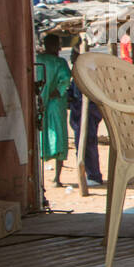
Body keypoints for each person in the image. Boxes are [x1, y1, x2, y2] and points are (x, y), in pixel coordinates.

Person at [36, 34, 71, 187]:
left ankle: (40, 180)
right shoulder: (60, 63)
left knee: (39, 138)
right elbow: (64, 82)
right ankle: (57, 178)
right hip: (56, 105)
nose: (60, 48)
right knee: (59, 138)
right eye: (58, 45)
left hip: (40, 103)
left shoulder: (38, 59)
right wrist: (55, 92)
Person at [67, 48, 103, 186]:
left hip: (88, 112)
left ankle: (94, 175)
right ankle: (90, 173)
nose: (71, 58)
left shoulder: (86, 73)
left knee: (88, 143)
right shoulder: (76, 74)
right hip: (79, 113)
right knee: (82, 144)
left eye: (74, 55)